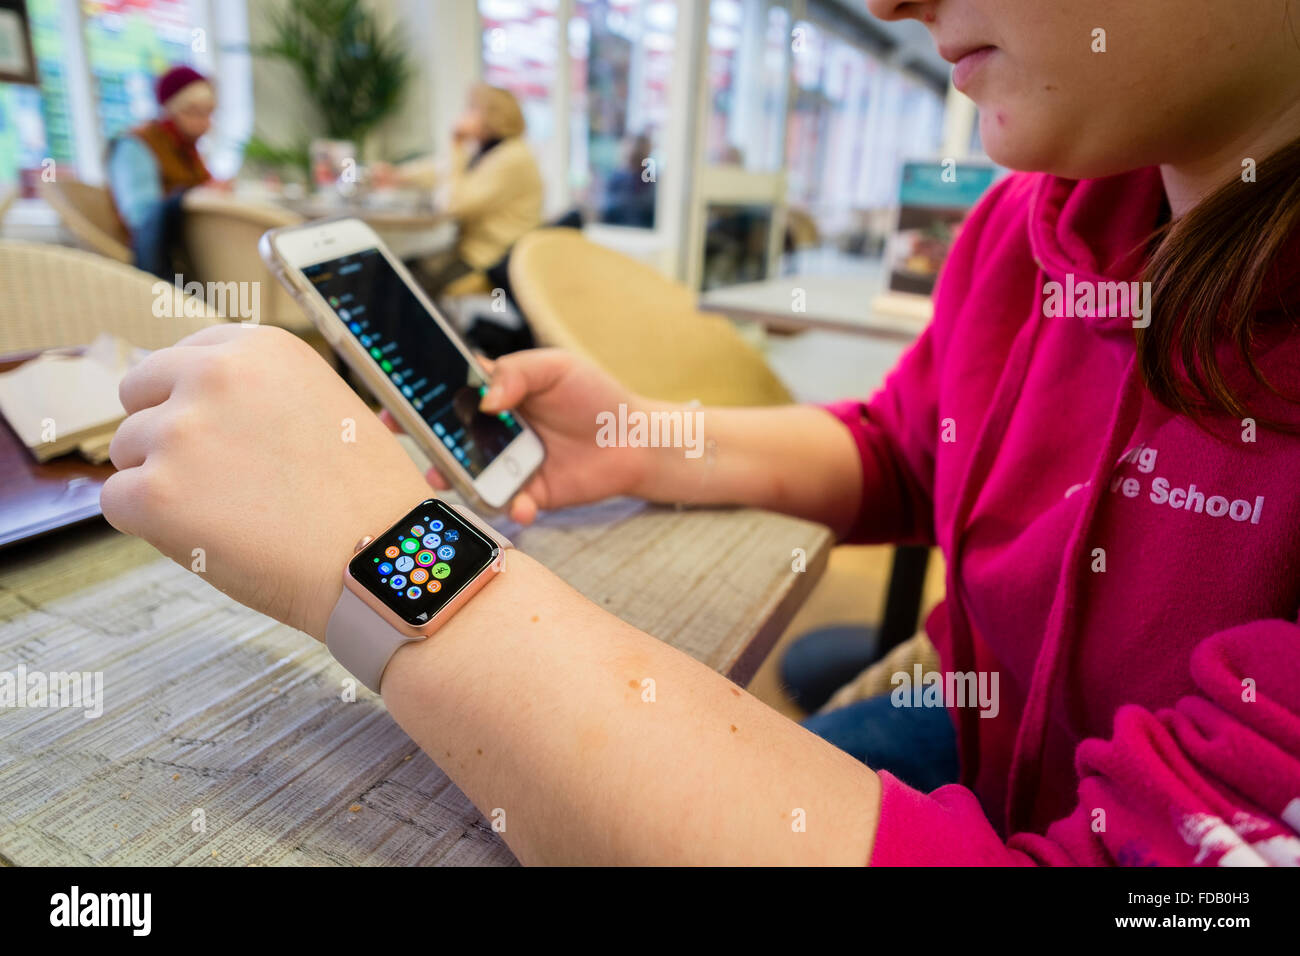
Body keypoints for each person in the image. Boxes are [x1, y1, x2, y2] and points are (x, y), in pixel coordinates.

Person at [102, 0, 1300, 865]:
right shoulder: (1024, 226)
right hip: (993, 730)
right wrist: (642, 434)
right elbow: (902, 446)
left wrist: (381, 548)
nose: (890, 4)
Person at [371, 84, 544, 297]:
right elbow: (439, 169)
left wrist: (456, 143)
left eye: (472, 109)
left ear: (493, 116)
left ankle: (420, 329)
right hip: (470, 252)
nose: (464, 115)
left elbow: (451, 205)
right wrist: (397, 175)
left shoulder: (513, 158)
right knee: (399, 270)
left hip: (490, 260)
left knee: (405, 283)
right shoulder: (490, 150)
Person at [106, 65, 221, 276]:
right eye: (194, 112)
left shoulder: (189, 151)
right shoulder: (137, 144)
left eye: (208, 113)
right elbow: (141, 215)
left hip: (197, 254)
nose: (205, 122)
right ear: (172, 108)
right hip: (159, 261)